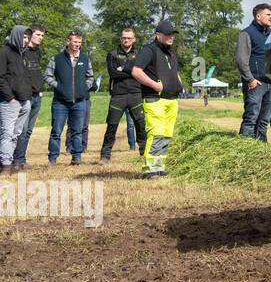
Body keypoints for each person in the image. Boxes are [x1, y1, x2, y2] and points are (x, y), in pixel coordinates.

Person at [132, 20, 182, 178]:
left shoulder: (171, 52)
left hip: (172, 100)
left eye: (173, 34)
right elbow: (136, 71)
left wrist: (179, 83)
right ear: (157, 35)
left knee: (167, 134)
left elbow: (175, 72)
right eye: (167, 34)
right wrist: (155, 85)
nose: (171, 37)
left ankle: (159, 166)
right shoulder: (149, 50)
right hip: (155, 99)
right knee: (157, 133)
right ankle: (150, 170)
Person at [45, 31, 96, 165]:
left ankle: (76, 157)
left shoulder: (85, 58)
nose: (77, 45)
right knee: (56, 131)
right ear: (68, 41)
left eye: (79, 42)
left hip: (79, 102)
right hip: (60, 102)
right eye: (75, 42)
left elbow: (90, 77)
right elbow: (47, 76)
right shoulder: (56, 58)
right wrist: (58, 86)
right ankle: (53, 158)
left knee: (77, 131)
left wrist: (84, 87)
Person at [100, 27, 146, 162]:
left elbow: (142, 72)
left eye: (129, 38)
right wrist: (132, 71)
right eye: (124, 38)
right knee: (112, 125)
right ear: (120, 38)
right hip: (118, 95)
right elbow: (113, 73)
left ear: (134, 39)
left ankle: (144, 152)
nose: (126, 40)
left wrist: (123, 69)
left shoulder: (139, 54)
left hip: (136, 93)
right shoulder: (112, 54)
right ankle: (105, 155)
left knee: (140, 124)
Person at [0, 26, 42, 173]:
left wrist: (29, 97)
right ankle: (5, 165)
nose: (26, 40)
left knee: (17, 134)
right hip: (10, 102)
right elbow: (0, 78)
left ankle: (8, 161)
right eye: (23, 37)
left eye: (27, 37)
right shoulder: (4, 52)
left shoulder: (23, 54)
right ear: (16, 36)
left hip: (25, 101)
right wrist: (10, 97)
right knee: (7, 133)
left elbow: (27, 77)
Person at [236, 4, 271, 139]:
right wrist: (250, 79)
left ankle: (260, 149)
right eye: (268, 14)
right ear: (258, 16)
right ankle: (246, 147)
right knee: (251, 118)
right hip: (255, 83)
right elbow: (241, 59)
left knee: (264, 120)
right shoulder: (246, 33)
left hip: (270, 83)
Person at [12, 24, 45, 170]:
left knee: (29, 130)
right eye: (38, 35)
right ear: (30, 34)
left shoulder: (37, 53)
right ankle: (16, 161)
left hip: (38, 96)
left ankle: (21, 159)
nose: (40, 38)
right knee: (21, 130)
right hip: (25, 97)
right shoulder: (21, 52)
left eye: (42, 36)